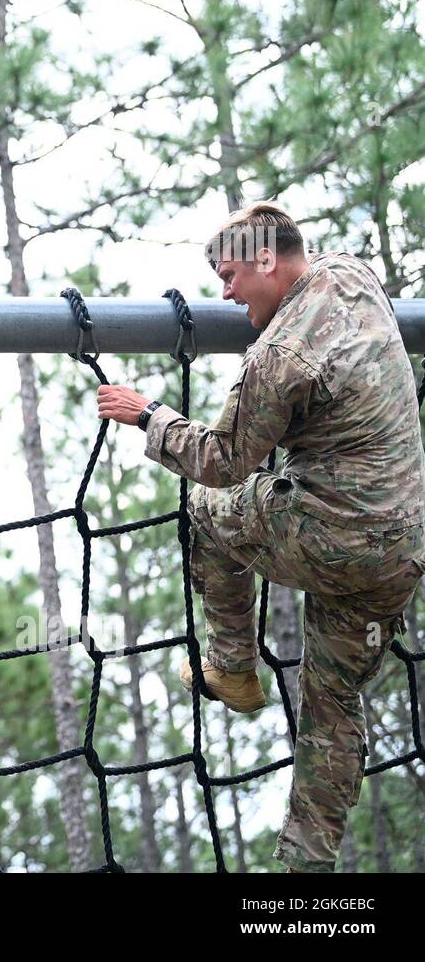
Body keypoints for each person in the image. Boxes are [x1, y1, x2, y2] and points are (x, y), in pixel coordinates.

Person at [96, 201, 425, 873]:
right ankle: (304, 870)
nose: (223, 293)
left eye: (228, 275)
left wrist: (148, 415)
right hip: (402, 549)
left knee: (204, 505)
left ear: (266, 261)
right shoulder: (355, 275)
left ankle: (234, 667)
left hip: (334, 536)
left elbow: (221, 460)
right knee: (331, 702)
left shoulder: (277, 353)